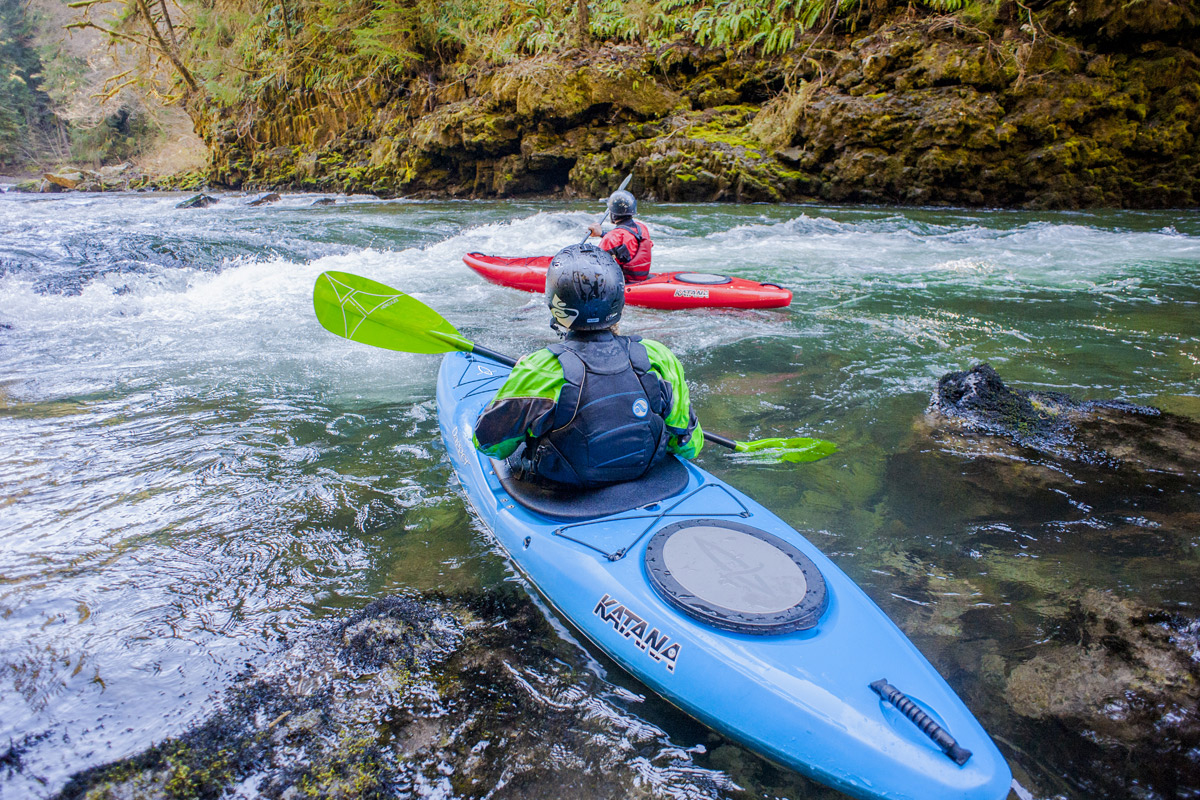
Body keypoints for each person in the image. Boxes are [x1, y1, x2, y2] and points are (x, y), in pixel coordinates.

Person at [473, 243, 702, 488]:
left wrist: (521, 377)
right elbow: (690, 446)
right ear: (618, 300)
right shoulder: (658, 355)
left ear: (557, 305)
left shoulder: (539, 368)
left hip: (565, 491)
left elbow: (490, 444)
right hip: (643, 476)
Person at [587, 189, 654, 283]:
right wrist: (602, 234)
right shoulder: (642, 228)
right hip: (640, 278)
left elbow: (596, 265)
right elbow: (625, 242)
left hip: (624, 283)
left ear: (613, 214)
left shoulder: (613, 237)